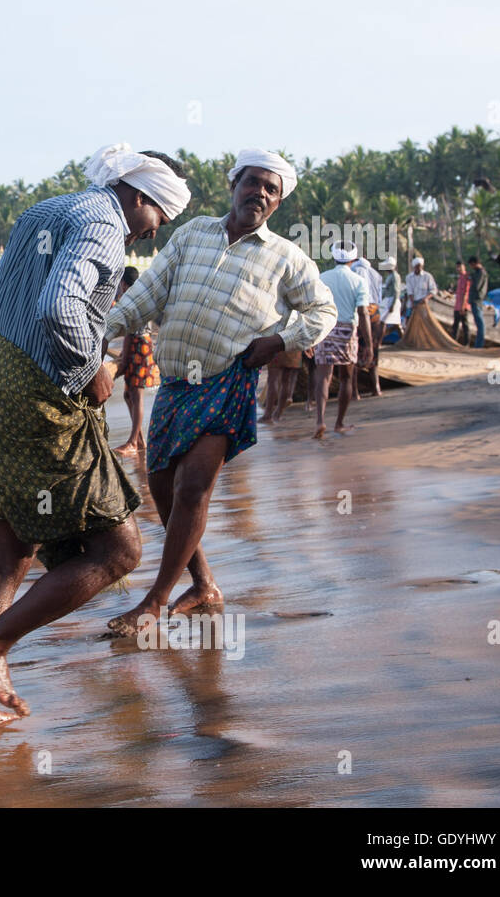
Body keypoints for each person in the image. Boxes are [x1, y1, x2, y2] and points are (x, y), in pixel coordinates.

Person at [0, 144, 191, 737]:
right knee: (119, 550)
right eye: (158, 220)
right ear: (141, 195)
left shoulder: (44, 211)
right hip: (37, 394)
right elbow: (60, 305)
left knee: (9, 558)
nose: (151, 237)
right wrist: (91, 366)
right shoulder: (104, 222)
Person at [104, 149, 336, 638]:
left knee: (193, 490)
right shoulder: (192, 234)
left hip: (228, 380)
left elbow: (323, 312)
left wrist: (280, 340)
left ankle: (155, 601)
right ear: (235, 184)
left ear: (278, 203)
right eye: (253, 182)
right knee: (166, 493)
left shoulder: (287, 257)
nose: (261, 193)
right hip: (174, 384)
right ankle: (204, 586)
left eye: (271, 189)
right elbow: (148, 294)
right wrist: (98, 335)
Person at [312, 241, 373, 438]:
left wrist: (310, 337)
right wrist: (369, 344)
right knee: (346, 377)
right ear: (354, 259)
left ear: (334, 256)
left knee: (323, 378)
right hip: (347, 331)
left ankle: (320, 421)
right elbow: (363, 312)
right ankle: (338, 423)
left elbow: (312, 307)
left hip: (325, 329)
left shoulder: (322, 278)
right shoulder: (358, 281)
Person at [111, 266, 159, 456]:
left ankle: (133, 441)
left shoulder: (131, 298)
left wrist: (124, 358)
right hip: (141, 344)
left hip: (139, 345)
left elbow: (131, 330)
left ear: (123, 283)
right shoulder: (139, 295)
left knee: (135, 394)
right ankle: (138, 440)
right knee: (128, 394)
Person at [350, 253, 384, 397]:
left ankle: (354, 392)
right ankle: (376, 388)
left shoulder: (353, 271)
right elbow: (380, 298)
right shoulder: (376, 274)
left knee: (354, 352)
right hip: (375, 314)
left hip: (360, 314)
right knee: (373, 350)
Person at [403, 256, 438, 322]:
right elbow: (410, 292)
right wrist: (413, 303)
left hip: (423, 303)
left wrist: (426, 298)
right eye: (417, 266)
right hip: (412, 303)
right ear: (414, 267)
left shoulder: (427, 276)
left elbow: (433, 290)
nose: (418, 268)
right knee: (409, 320)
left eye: (420, 266)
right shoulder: (409, 277)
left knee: (424, 321)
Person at [379, 256, 402, 343]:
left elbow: (396, 291)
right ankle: (403, 339)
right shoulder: (390, 276)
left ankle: (379, 341)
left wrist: (393, 304)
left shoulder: (395, 276)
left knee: (383, 322)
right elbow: (386, 290)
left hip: (392, 301)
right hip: (389, 300)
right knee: (395, 324)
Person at [467, 256, 488, 348]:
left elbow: (477, 286)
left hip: (477, 300)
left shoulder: (480, 273)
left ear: (474, 263)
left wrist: (471, 278)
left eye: (471, 265)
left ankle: (479, 345)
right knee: (478, 323)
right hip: (476, 300)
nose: (471, 267)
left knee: (480, 324)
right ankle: (478, 344)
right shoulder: (478, 272)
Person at [450, 261, 471, 345]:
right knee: (455, 325)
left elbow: (466, 292)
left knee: (465, 326)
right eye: (457, 267)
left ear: (464, 267)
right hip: (457, 305)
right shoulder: (460, 278)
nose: (458, 269)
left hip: (463, 306)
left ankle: (466, 344)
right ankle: (453, 343)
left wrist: (463, 306)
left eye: (460, 267)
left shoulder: (467, 277)